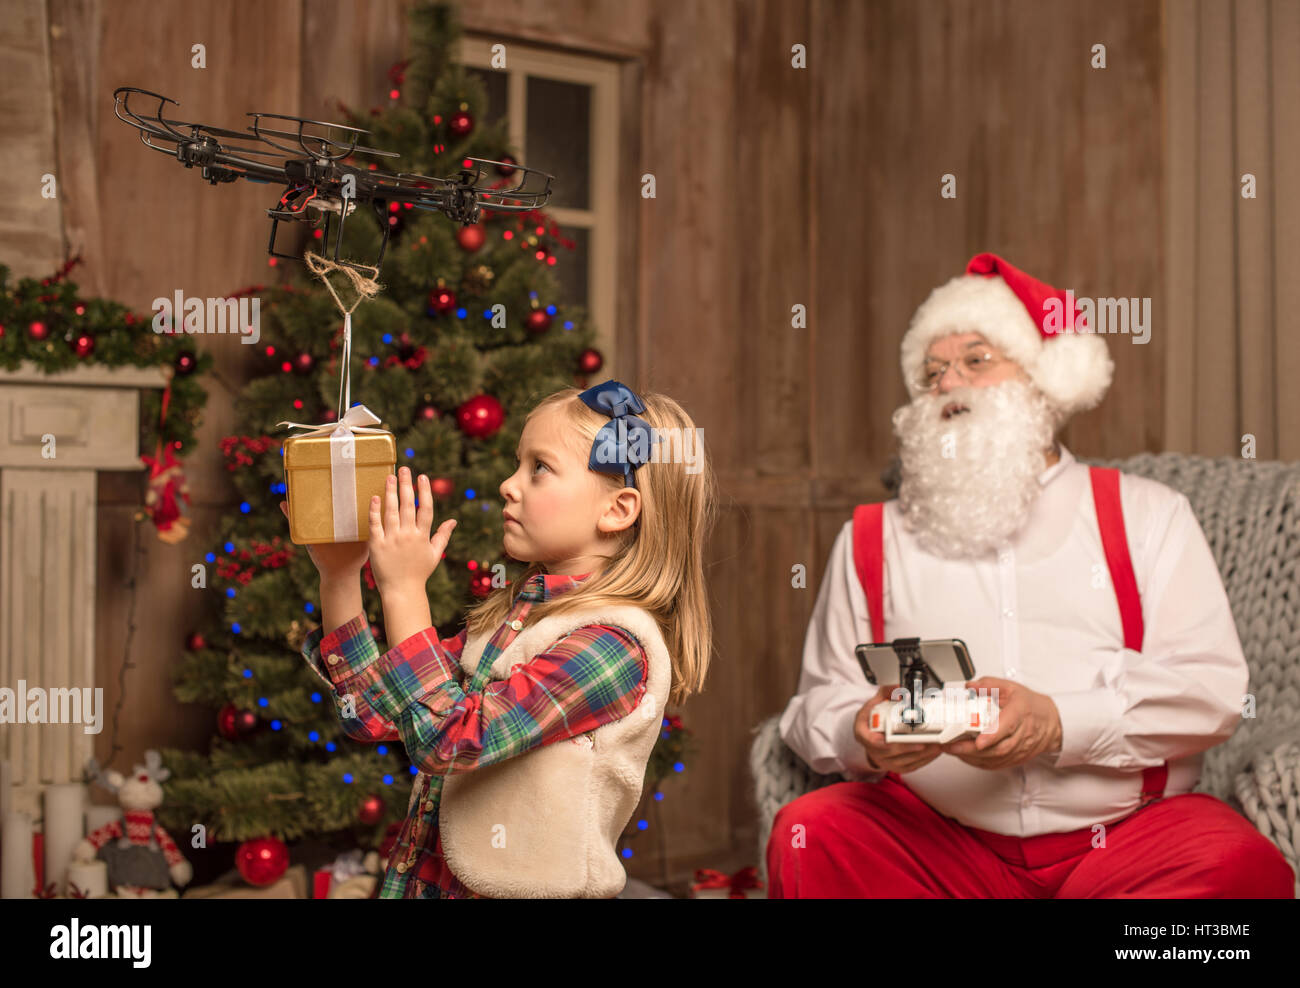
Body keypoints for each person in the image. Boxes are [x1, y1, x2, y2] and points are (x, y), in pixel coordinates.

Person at [770, 252, 1295, 898]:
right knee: (812, 833)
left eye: (976, 359)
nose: (948, 382)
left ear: (1043, 382)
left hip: (1127, 841)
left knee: (1237, 866)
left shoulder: (1148, 515)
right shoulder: (870, 539)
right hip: (938, 849)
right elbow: (812, 706)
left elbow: (1210, 692)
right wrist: (862, 733)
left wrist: (1058, 722)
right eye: (931, 371)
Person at [286, 379, 717, 898]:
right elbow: (371, 713)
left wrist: (403, 590)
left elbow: (447, 739)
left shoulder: (612, 647)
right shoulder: (508, 620)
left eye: (539, 468)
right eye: (518, 464)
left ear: (617, 510)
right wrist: (339, 579)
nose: (508, 485)